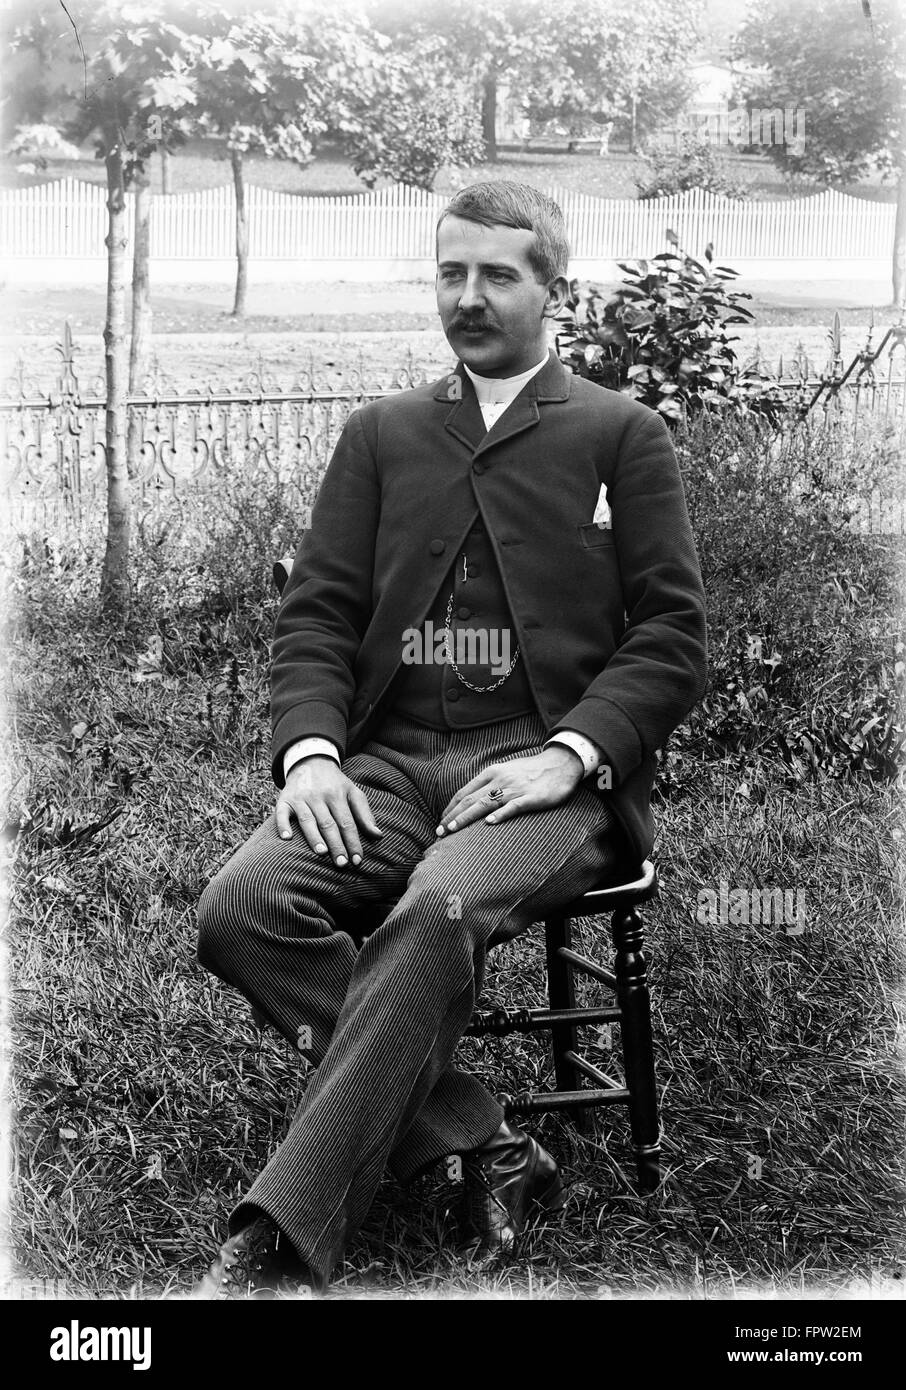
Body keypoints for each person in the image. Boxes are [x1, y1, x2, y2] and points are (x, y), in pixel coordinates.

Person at [193, 180, 707, 1297]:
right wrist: (313, 754)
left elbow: (672, 634)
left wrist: (569, 754)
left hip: (547, 775)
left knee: (438, 906)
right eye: (450, 272)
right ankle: (484, 1130)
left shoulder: (623, 434)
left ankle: (279, 1237)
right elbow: (319, 614)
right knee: (240, 907)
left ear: (552, 289)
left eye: (497, 275)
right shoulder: (382, 433)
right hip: (385, 763)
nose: (467, 298)